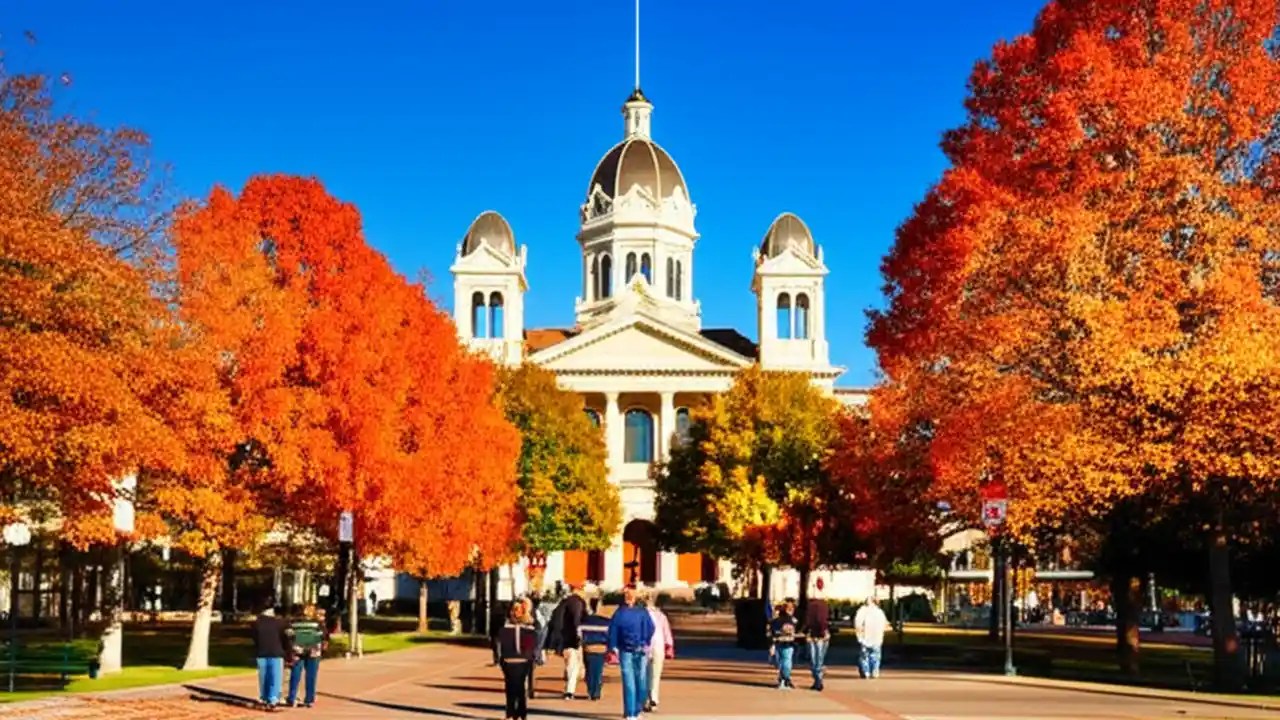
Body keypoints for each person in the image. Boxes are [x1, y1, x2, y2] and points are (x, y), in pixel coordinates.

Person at [607, 585, 655, 720]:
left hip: (625, 649)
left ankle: (630, 712)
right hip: (640, 648)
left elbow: (613, 631)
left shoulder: (619, 613)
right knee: (641, 680)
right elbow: (650, 628)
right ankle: (636, 709)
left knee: (629, 681)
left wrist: (613, 646)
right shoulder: (642, 612)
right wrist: (645, 641)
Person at [498, 600, 539, 720]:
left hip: (517, 660)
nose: (516, 612)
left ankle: (515, 713)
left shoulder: (508, 627)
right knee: (516, 687)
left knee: (514, 687)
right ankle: (517, 713)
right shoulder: (529, 628)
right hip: (516, 660)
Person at [251, 599, 291, 711]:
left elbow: (254, 638)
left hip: (262, 652)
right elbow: (286, 639)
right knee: (275, 678)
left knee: (264, 678)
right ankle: (273, 700)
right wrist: (287, 651)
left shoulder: (256, 623)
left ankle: (264, 698)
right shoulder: (280, 623)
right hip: (276, 653)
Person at [286, 604, 328, 708]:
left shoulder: (293, 623)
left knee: (295, 674)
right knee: (311, 676)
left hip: (298, 651)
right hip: (313, 651)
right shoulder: (316, 624)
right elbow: (322, 635)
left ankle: (292, 697)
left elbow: (289, 635)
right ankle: (309, 699)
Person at [550, 584, 588, 700]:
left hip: (563, 638)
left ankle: (569, 688)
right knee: (574, 665)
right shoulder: (577, 603)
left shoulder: (563, 603)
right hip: (572, 638)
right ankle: (569, 691)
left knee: (570, 664)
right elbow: (577, 621)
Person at [644, 592, 675, 712]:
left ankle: (646, 699)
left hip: (645, 647)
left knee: (645, 674)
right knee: (655, 675)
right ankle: (654, 698)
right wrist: (669, 646)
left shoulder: (641, 615)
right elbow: (667, 633)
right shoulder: (661, 616)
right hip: (658, 647)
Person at [579, 598, 611, 702]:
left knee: (589, 670)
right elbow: (610, 635)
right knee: (598, 671)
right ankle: (596, 692)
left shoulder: (584, 620)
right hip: (601, 648)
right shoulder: (606, 622)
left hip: (588, 648)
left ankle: (590, 690)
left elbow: (579, 634)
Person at [804, 579, 831, 691]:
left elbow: (808, 621)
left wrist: (806, 631)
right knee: (819, 659)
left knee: (814, 659)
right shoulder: (823, 605)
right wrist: (824, 631)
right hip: (821, 635)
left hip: (813, 635)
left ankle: (817, 679)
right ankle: (818, 679)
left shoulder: (811, 606)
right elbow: (823, 621)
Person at [854, 596, 889, 679]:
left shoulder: (862, 611)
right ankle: (874, 671)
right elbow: (885, 625)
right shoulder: (880, 612)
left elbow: (858, 624)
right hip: (877, 638)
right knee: (875, 656)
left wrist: (859, 635)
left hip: (865, 637)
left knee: (864, 656)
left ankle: (866, 672)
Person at [769, 598, 799, 690]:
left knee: (782, 662)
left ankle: (784, 679)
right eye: (789, 608)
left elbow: (772, 632)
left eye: (792, 608)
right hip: (786, 643)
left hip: (783, 643)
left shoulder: (777, 620)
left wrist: (772, 644)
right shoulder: (792, 620)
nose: (791, 610)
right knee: (785, 662)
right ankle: (785, 679)